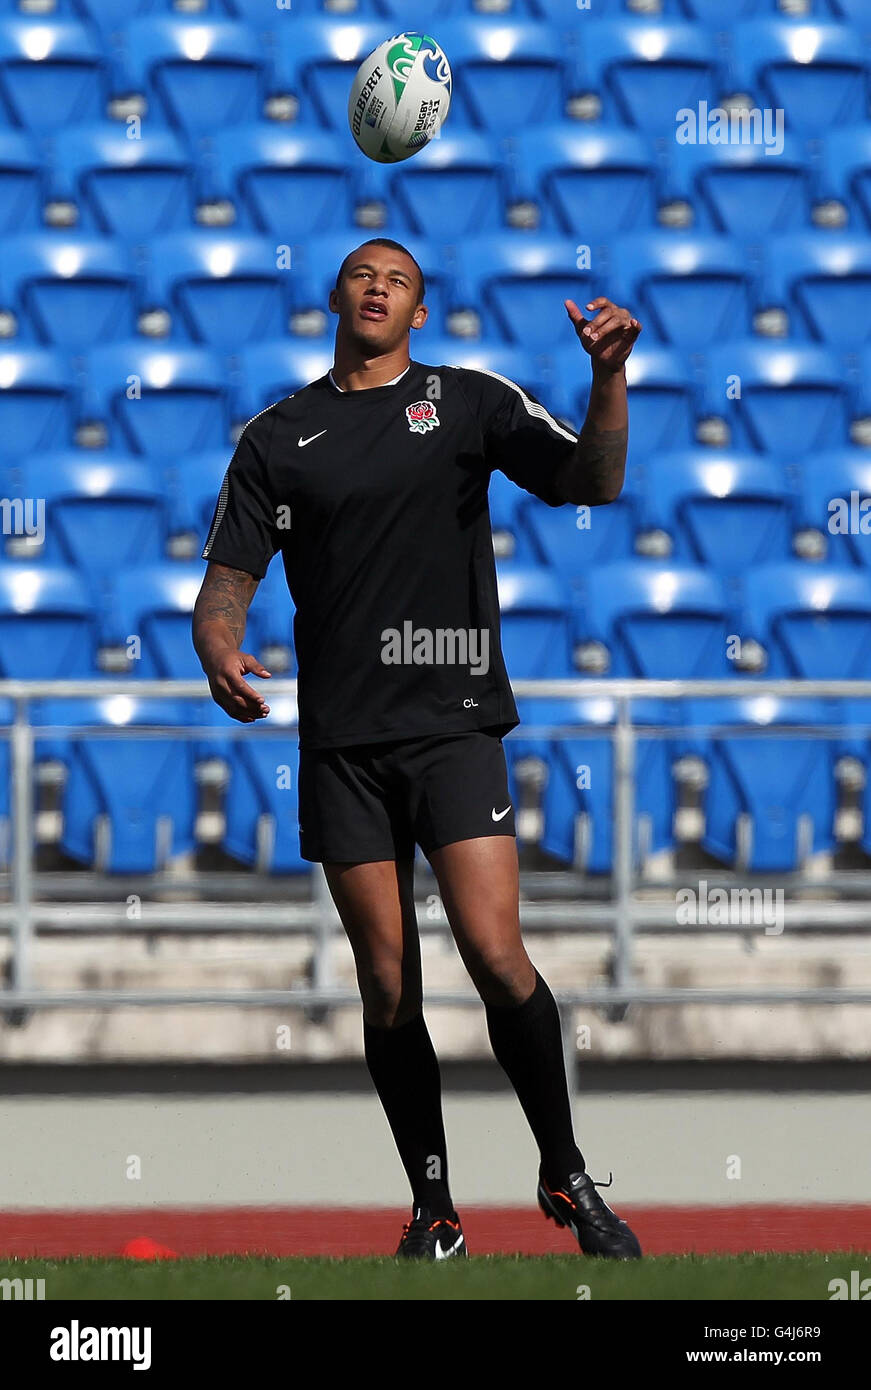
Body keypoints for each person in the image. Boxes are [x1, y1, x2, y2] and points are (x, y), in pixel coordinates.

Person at [192, 236, 643, 1260]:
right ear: (336, 295)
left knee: (494, 952)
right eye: (362, 273)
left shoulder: (469, 401)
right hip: (344, 744)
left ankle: (566, 1172)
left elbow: (593, 480)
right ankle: (434, 1210)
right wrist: (219, 649)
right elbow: (225, 589)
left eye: (397, 278)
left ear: (420, 310)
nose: (376, 286)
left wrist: (608, 376)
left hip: (453, 726)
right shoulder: (277, 436)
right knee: (387, 984)